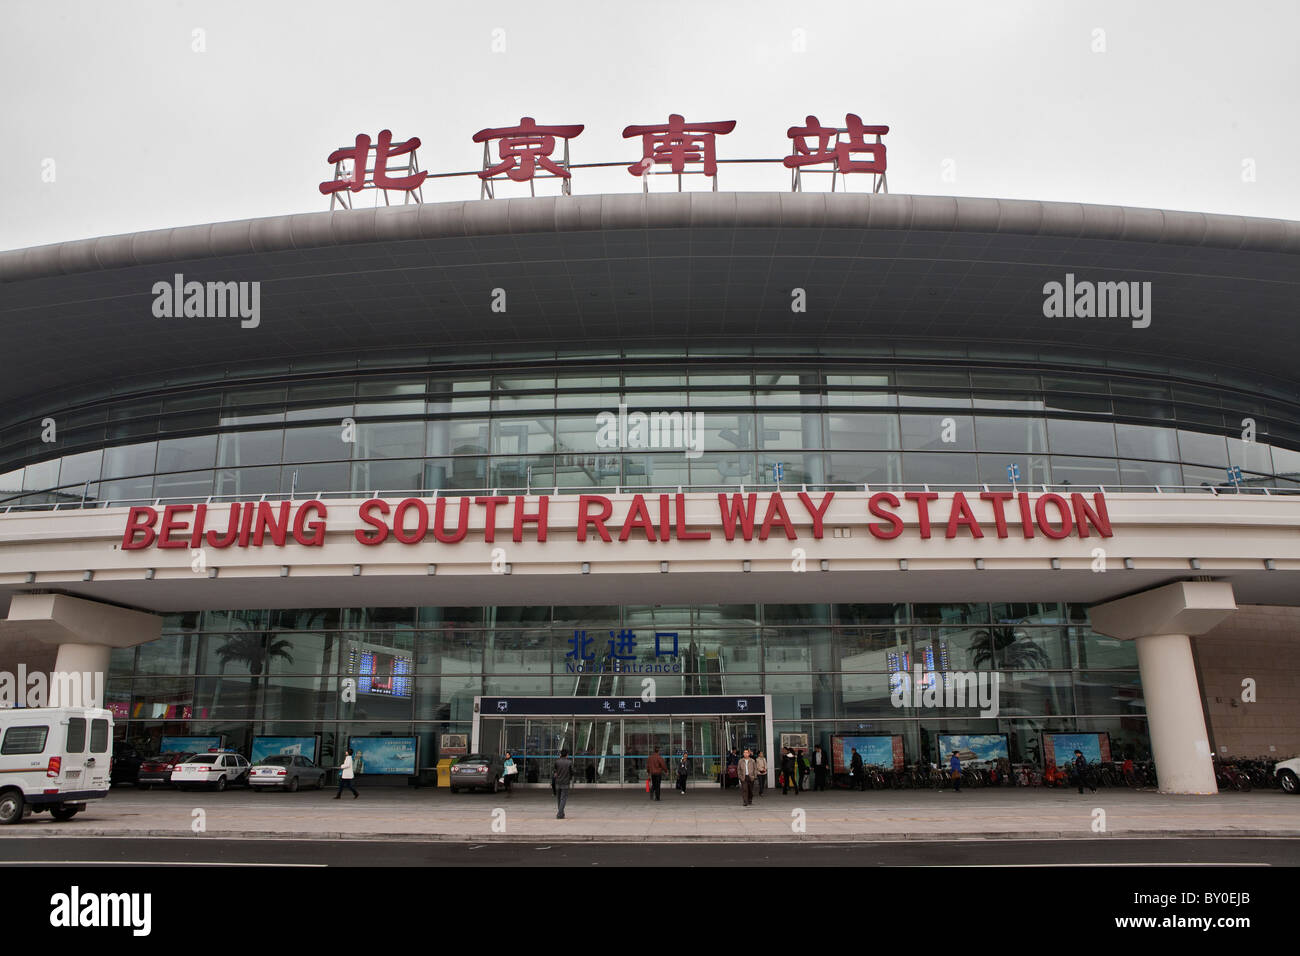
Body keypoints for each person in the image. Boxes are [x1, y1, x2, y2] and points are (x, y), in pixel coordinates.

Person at [552, 749, 573, 819]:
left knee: (558, 799)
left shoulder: (557, 762)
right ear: (567, 754)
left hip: (558, 782)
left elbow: (555, 772)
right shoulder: (569, 762)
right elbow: (572, 772)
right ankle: (559, 814)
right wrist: (570, 778)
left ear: (560, 754)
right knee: (563, 799)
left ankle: (561, 813)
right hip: (566, 782)